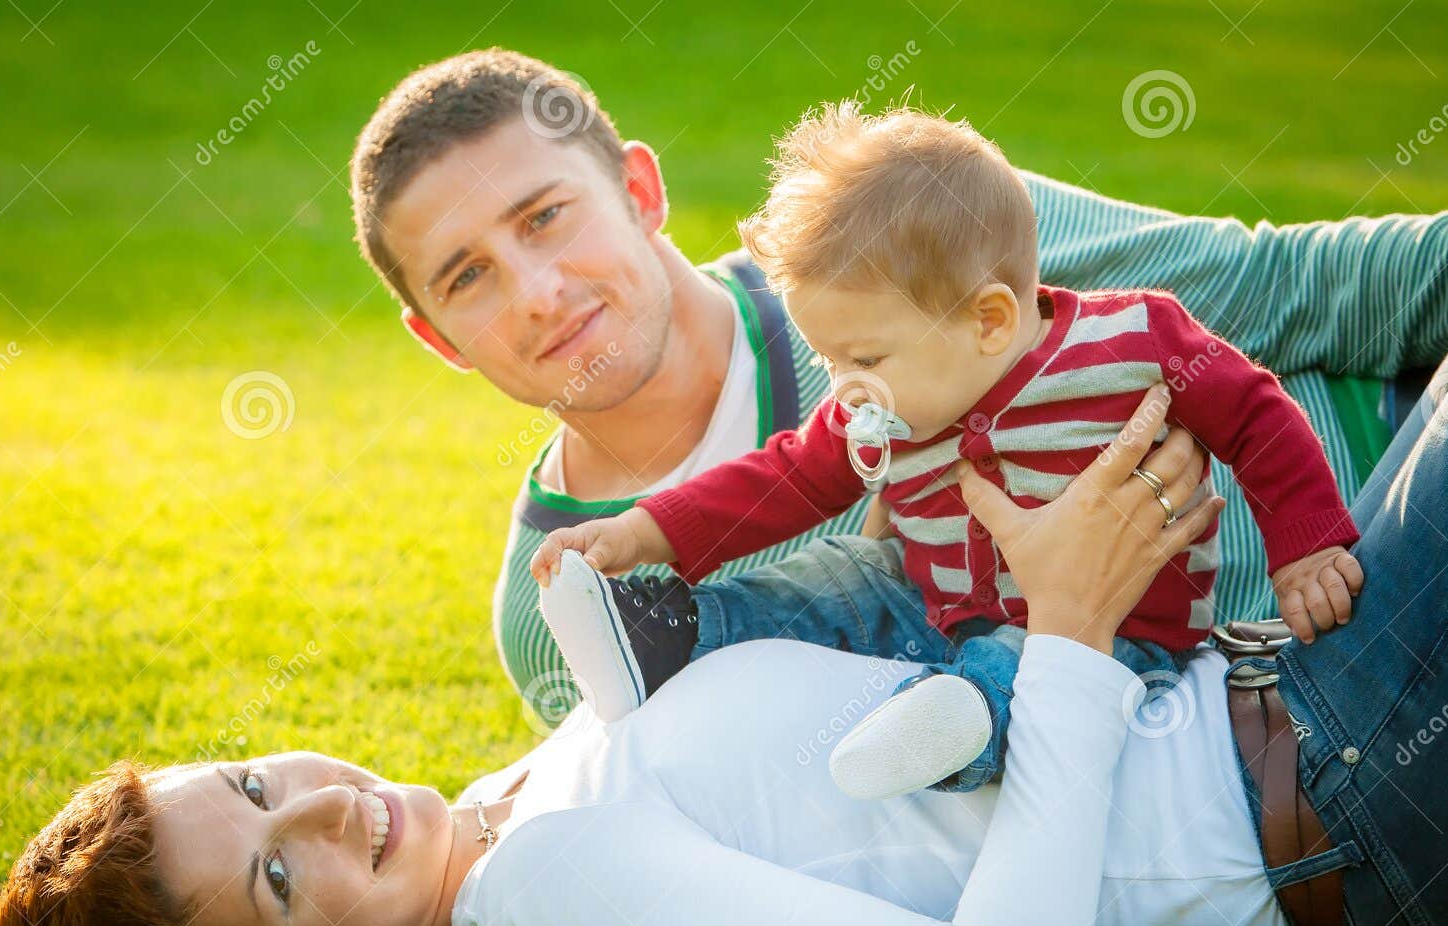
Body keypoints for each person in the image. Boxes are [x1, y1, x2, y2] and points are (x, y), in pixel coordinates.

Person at [0, 271, 1448, 926]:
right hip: (1337, 797)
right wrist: (1072, 628)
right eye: (273, 877)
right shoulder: (544, 907)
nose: (320, 809)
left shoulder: (530, 790)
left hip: (1307, 702)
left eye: (252, 781)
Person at [348, 49, 1448, 726]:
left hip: (1417, 474)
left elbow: (1311, 287)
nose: (540, 291)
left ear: (639, 191)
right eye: (470, 277)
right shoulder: (557, 614)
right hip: (1302, 734)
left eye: (546, 215)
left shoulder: (903, 236)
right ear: (435, 336)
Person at [527, 102, 1362, 801]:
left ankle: (952, 731)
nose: (843, 386)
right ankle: (674, 635)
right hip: (927, 604)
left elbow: (1256, 415)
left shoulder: (1135, 338)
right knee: (837, 575)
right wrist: (645, 533)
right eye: (827, 358)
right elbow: (783, 480)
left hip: (1111, 632)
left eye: (865, 358)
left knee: (1011, 665)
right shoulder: (880, 411)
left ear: (990, 320)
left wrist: (1306, 542)